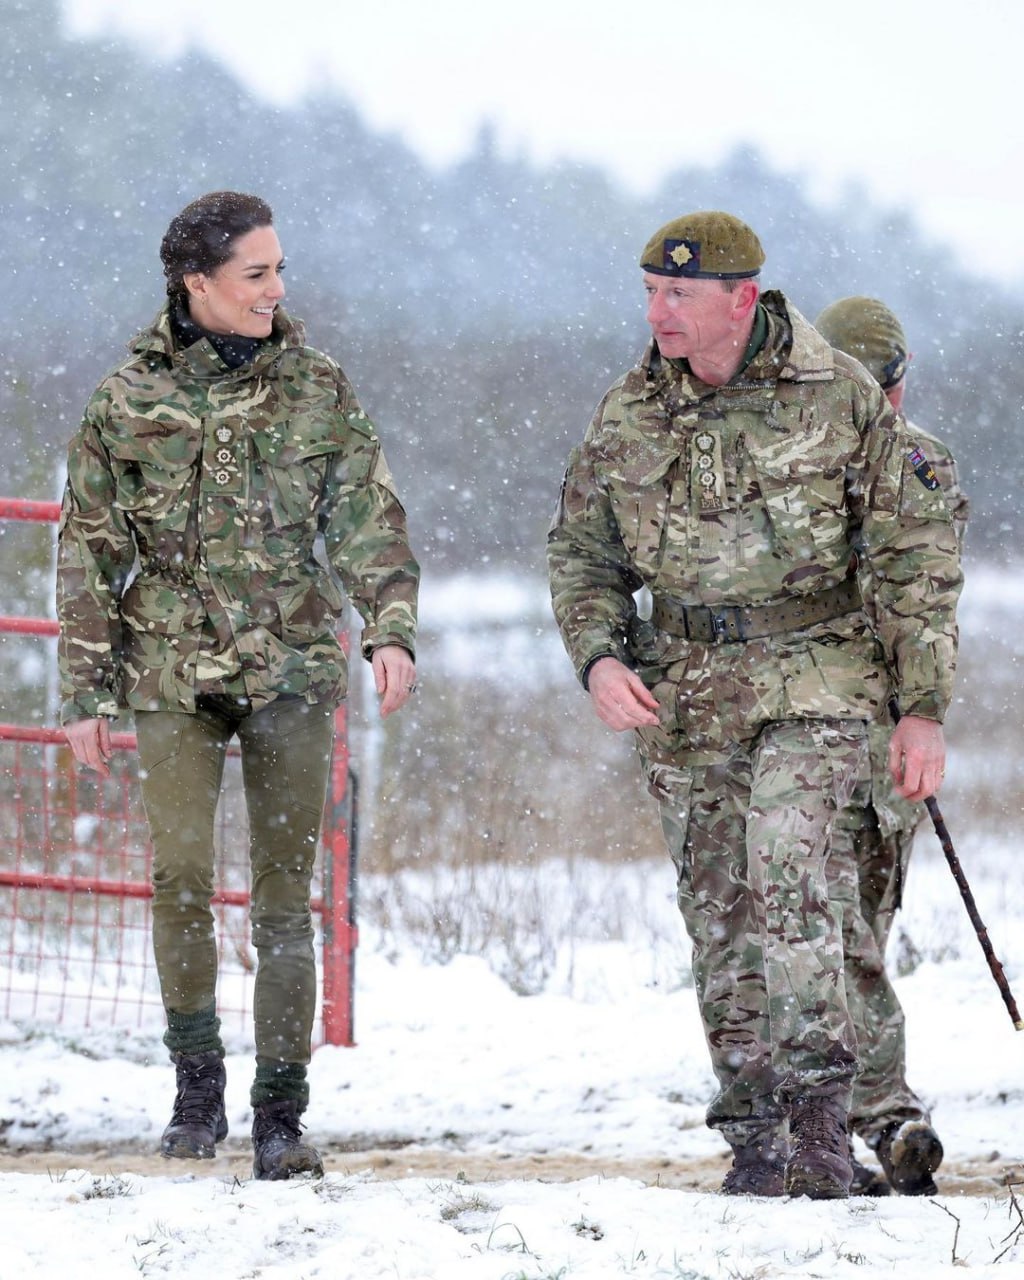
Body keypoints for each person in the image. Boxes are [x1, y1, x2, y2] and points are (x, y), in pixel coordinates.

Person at [547, 212, 961, 1199]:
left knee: (792, 868)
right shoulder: (629, 410)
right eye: (648, 292)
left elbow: (913, 556)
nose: (657, 313)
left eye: (678, 295)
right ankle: (754, 1130)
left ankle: (825, 1118)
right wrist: (600, 656)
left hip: (817, 666)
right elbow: (581, 550)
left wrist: (921, 706)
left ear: (742, 297)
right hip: (686, 685)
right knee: (720, 908)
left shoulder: (838, 397)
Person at [56, 191, 419, 1181]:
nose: (277, 288)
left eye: (278, 268)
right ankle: (195, 1086)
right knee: (177, 876)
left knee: (281, 894)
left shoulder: (316, 385)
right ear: (198, 282)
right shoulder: (127, 397)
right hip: (170, 664)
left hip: (292, 663)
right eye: (256, 272)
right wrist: (83, 687)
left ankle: (280, 1110)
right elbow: (88, 547)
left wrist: (388, 626)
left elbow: (364, 512)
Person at [815, 296, 969, 1195]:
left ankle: (845, 1115)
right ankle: (860, 1115)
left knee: (850, 926)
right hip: (855, 726)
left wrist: (917, 711)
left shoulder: (913, 468)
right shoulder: (918, 463)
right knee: (836, 924)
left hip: (863, 729)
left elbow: (926, 603)